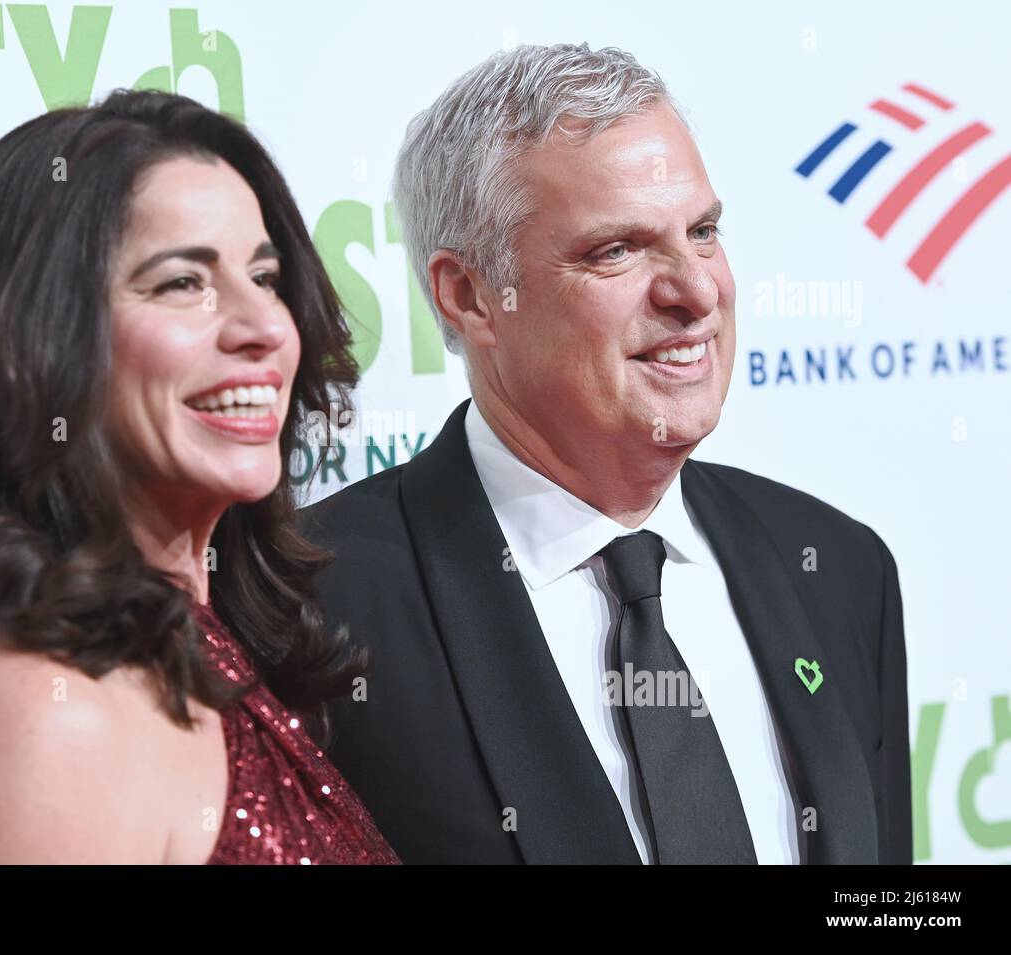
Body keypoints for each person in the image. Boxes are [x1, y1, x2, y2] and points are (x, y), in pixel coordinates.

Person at [302, 43, 911, 864]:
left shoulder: (838, 566)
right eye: (617, 250)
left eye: (702, 232)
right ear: (471, 296)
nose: (696, 293)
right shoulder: (308, 608)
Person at [0, 89, 399, 865]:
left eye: (265, 276)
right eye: (183, 282)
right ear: (36, 337)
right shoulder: (44, 706)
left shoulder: (184, 623)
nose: (265, 327)